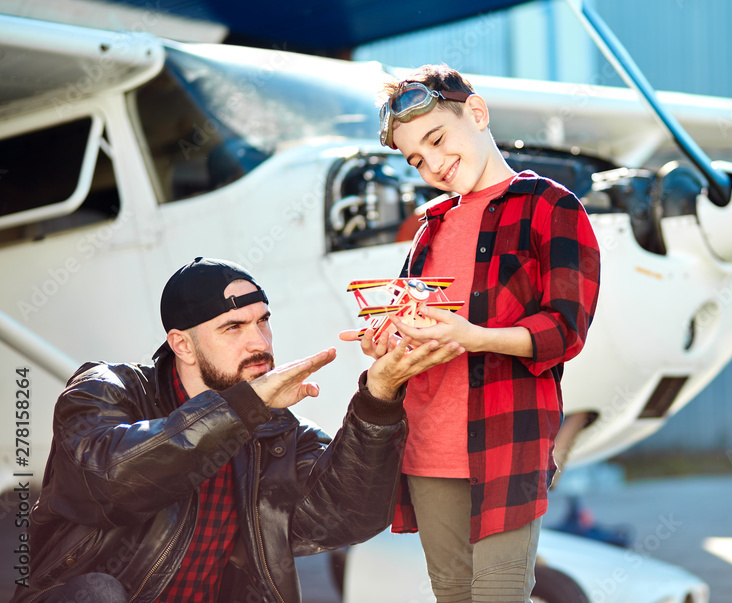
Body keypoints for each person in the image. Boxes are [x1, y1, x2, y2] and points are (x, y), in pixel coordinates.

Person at [14, 257, 462, 603]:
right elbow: (108, 481)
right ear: (182, 344)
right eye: (233, 327)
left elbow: (346, 516)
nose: (261, 343)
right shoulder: (108, 389)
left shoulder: (275, 432)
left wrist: (380, 396)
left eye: (263, 320)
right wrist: (244, 408)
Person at [356, 65, 600, 601]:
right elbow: (417, 327)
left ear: (478, 113)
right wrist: (388, 343)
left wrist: (477, 337)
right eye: (416, 159)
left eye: (438, 139)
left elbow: (565, 330)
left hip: (506, 447)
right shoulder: (430, 227)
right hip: (425, 452)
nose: (434, 164)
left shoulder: (550, 206)